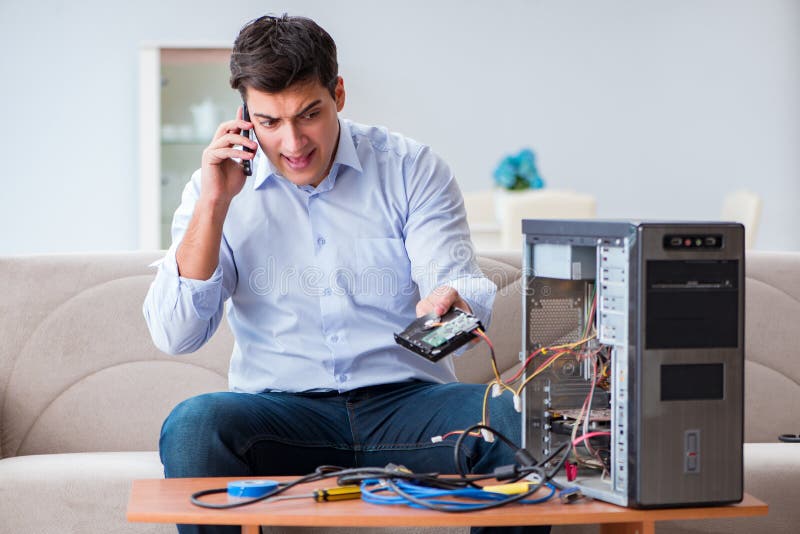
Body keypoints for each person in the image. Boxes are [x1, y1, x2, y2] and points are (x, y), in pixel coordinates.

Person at [144, 14, 550, 534]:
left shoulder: (410, 168)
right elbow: (175, 334)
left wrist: (452, 304)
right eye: (269, 122)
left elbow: (452, 280)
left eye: (309, 114)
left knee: (517, 419)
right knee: (194, 428)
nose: (292, 143)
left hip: (408, 404)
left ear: (338, 92)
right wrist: (214, 202)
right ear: (244, 113)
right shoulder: (214, 189)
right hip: (281, 415)